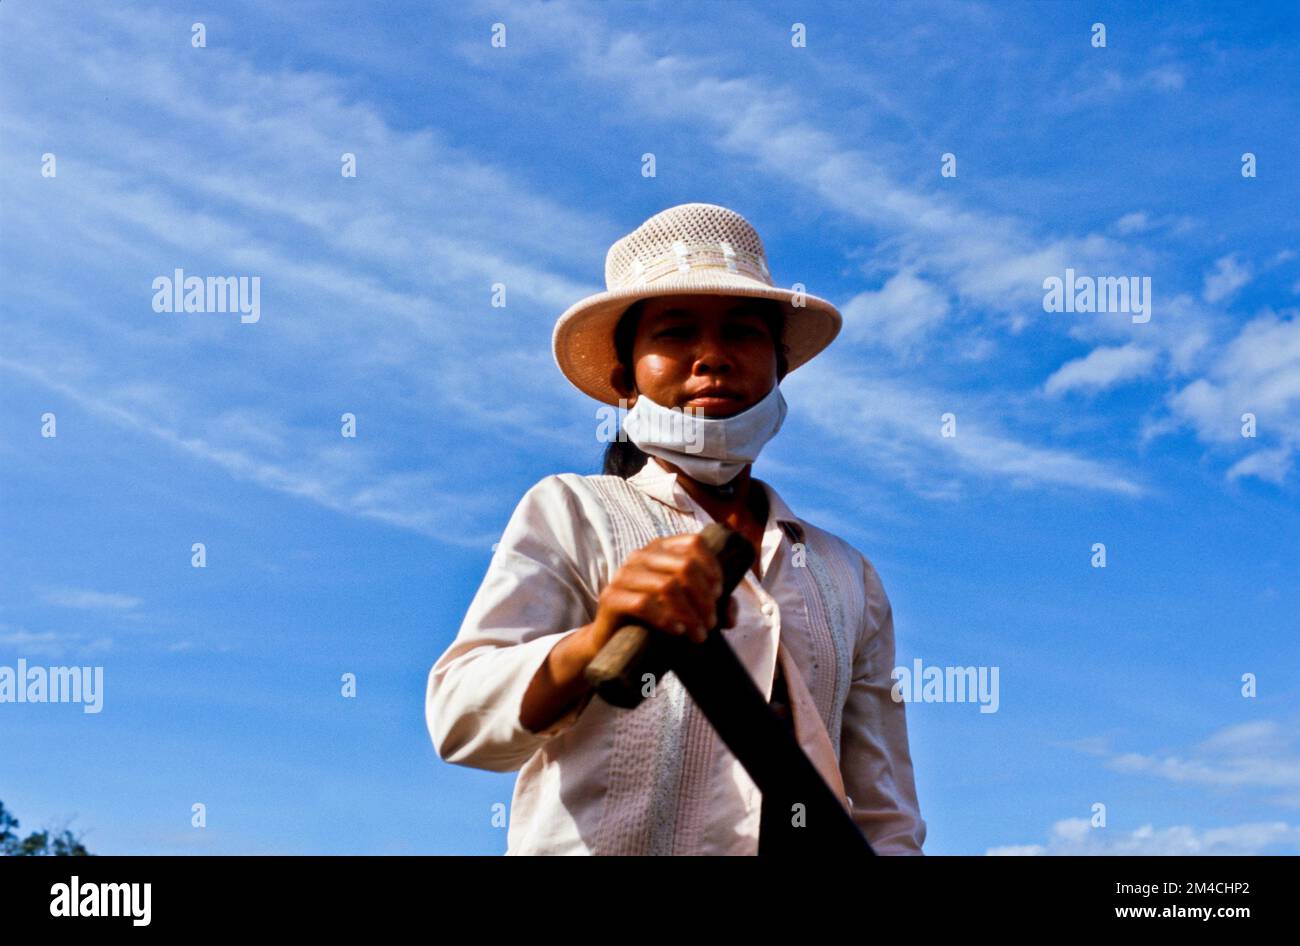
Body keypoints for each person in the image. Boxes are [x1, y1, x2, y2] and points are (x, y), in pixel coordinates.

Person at [425, 202, 927, 855]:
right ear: (623, 381)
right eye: (674, 332)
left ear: (779, 367)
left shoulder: (847, 574)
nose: (712, 356)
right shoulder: (571, 511)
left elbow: (888, 816)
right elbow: (460, 716)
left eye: (743, 332)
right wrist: (597, 640)